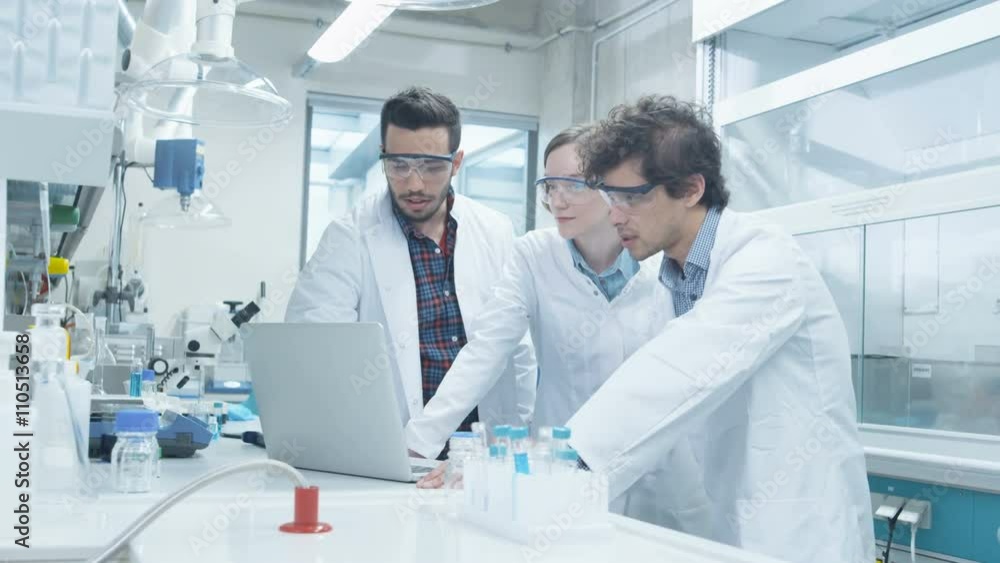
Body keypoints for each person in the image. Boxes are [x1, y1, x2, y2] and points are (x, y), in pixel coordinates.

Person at [564, 95, 875, 562]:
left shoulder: (767, 262)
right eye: (611, 197)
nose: (615, 215)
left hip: (802, 531)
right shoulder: (668, 282)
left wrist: (560, 463)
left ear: (690, 188)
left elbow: (677, 373)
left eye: (632, 197)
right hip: (726, 524)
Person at [407, 125, 712, 537]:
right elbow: (486, 350)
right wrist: (418, 443)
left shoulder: (662, 262)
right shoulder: (534, 255)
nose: (557, 201)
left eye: (572, 185)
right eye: (549, 186)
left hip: (661, 475)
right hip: (559, 475)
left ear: (613, 189)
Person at [285, 86, 536, 437]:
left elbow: (518, 349)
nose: (414, 184)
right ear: (382, 156)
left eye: (432, 167)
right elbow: (316, 353)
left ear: (457, 162)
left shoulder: (495, 230)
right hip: (390, 445)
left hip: (481, 448)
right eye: (399, 165)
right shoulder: (348, 238)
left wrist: (521, 431)